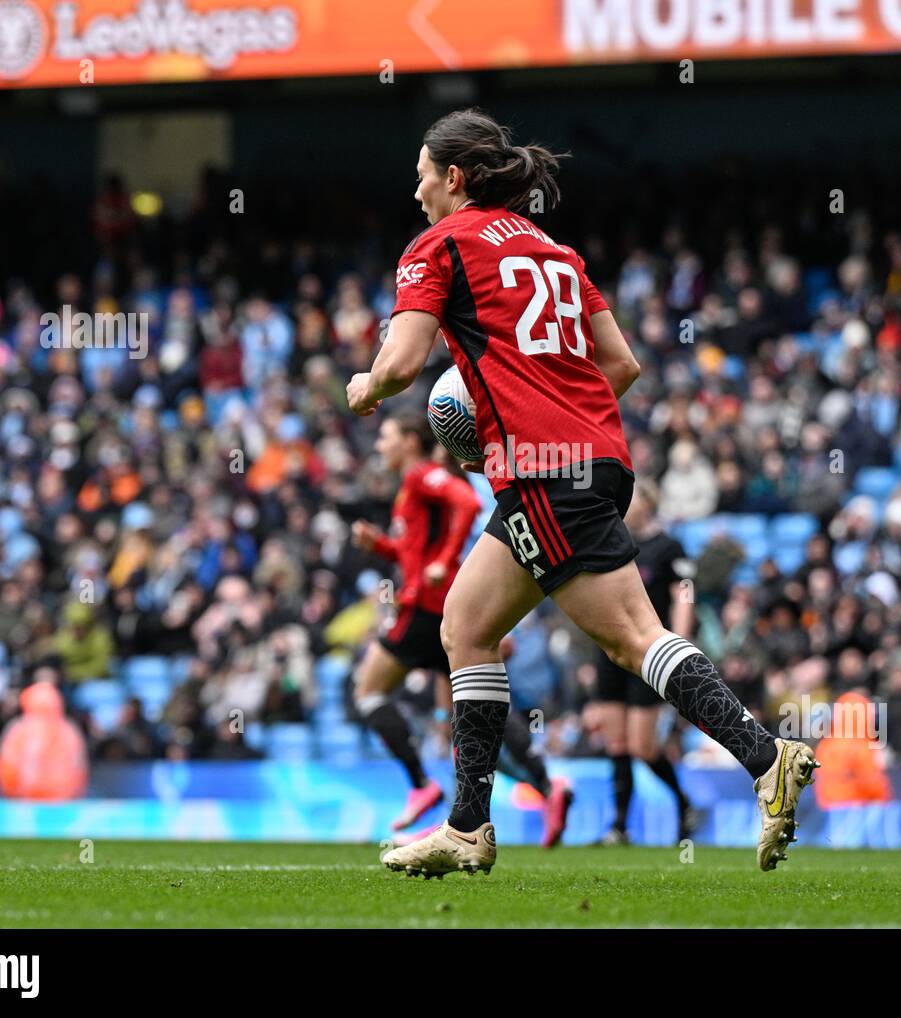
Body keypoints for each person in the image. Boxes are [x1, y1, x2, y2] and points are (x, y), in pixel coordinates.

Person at [346, 108, 818, 878]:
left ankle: (765, 757)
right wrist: (531, 414)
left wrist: (366, 387)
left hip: (541, 469)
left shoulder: (439, 246)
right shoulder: (555, 251)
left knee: (630, 637)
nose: (417, 188)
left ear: (455, 178)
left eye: (425, 172)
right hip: (593, 457)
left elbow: (401, 365)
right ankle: (467, 826)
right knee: (467, 625)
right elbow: (622, 365)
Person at [351, 415, 574, 843]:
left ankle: (421, 784)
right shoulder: (412, 485)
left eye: (386, 435)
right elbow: (413, 549)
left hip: (426, 608)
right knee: (471, 704)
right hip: (440, 606)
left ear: (411, 440)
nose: (380, 444)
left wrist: (441, 562)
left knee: (368, 691)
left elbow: (470, 504)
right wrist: (380, 546)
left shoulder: (422, 475)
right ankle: (548, 785)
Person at [588, 479, 700, 845]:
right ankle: (619, 826)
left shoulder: (667, 547)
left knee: (642, 746)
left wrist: (678, 642)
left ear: (649, 503)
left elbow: (683, 594)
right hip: (609, 649)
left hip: (648, 652)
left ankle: (684, 805)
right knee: (616, 743)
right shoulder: (611, 540)